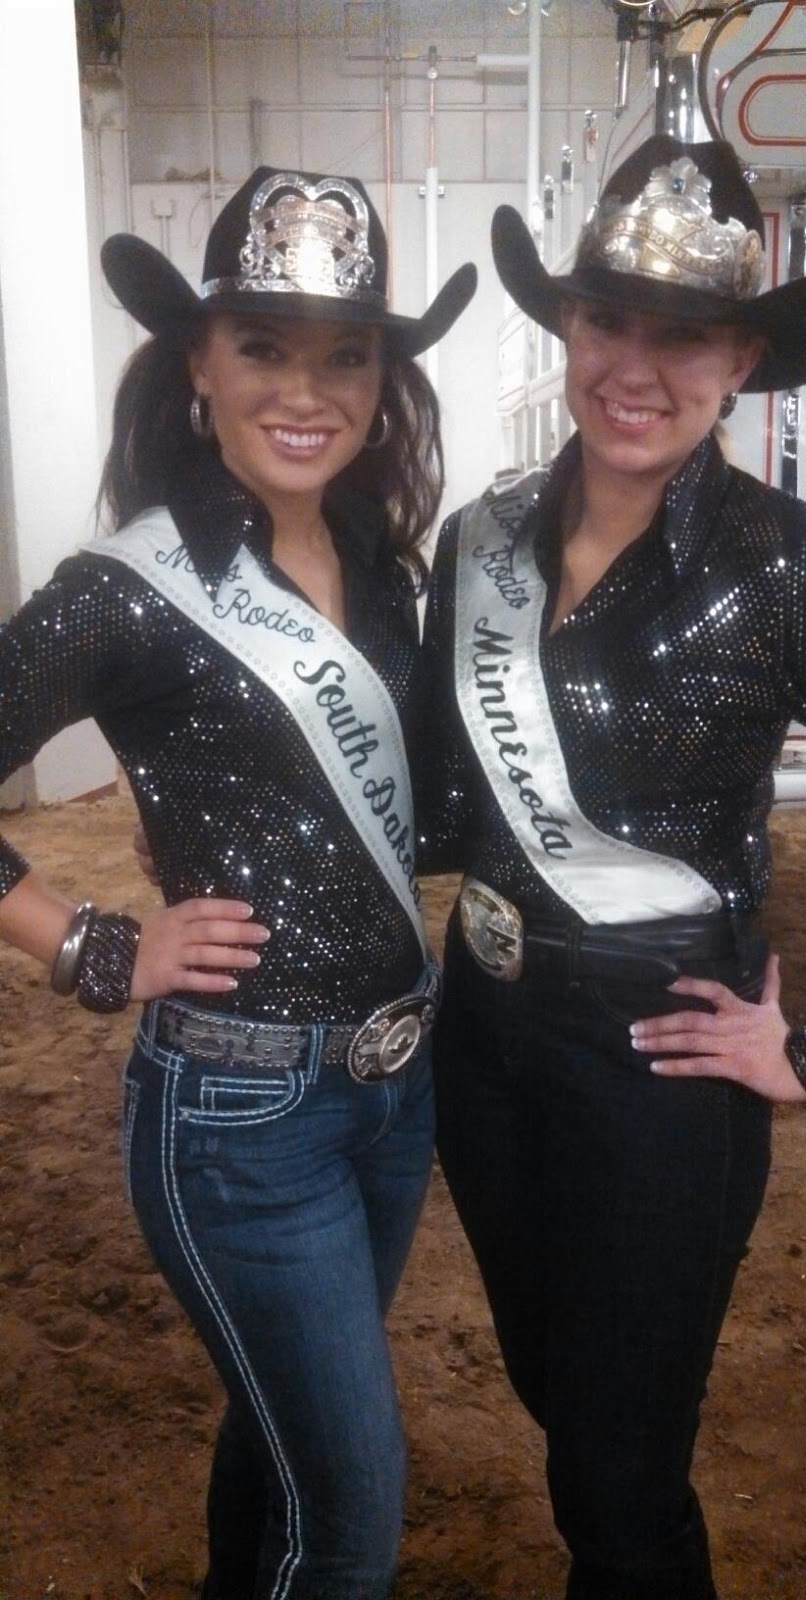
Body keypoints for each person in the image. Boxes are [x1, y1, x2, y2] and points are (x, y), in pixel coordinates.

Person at [420, 136, 806, 1600]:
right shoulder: (480, 538)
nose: (635, 364)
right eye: (606, 318)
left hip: (664, 1068)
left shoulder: (786, 563)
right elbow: (447, 810)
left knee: (620, 1484)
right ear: (565, 327)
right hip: (482, 1043)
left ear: (743, 357)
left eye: (682, 331)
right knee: (568, 1406)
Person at [0, 169, 474, 1599]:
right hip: (237, 1110)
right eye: (262, 346)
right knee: (352, 1516)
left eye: (346, 352)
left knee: (279, 1456)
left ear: (384, 380)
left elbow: (420, 818)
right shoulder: (126, 587)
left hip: (394, 1093)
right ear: (196, 361)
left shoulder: (387, 570)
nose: (306, 388)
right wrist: (88, 943)